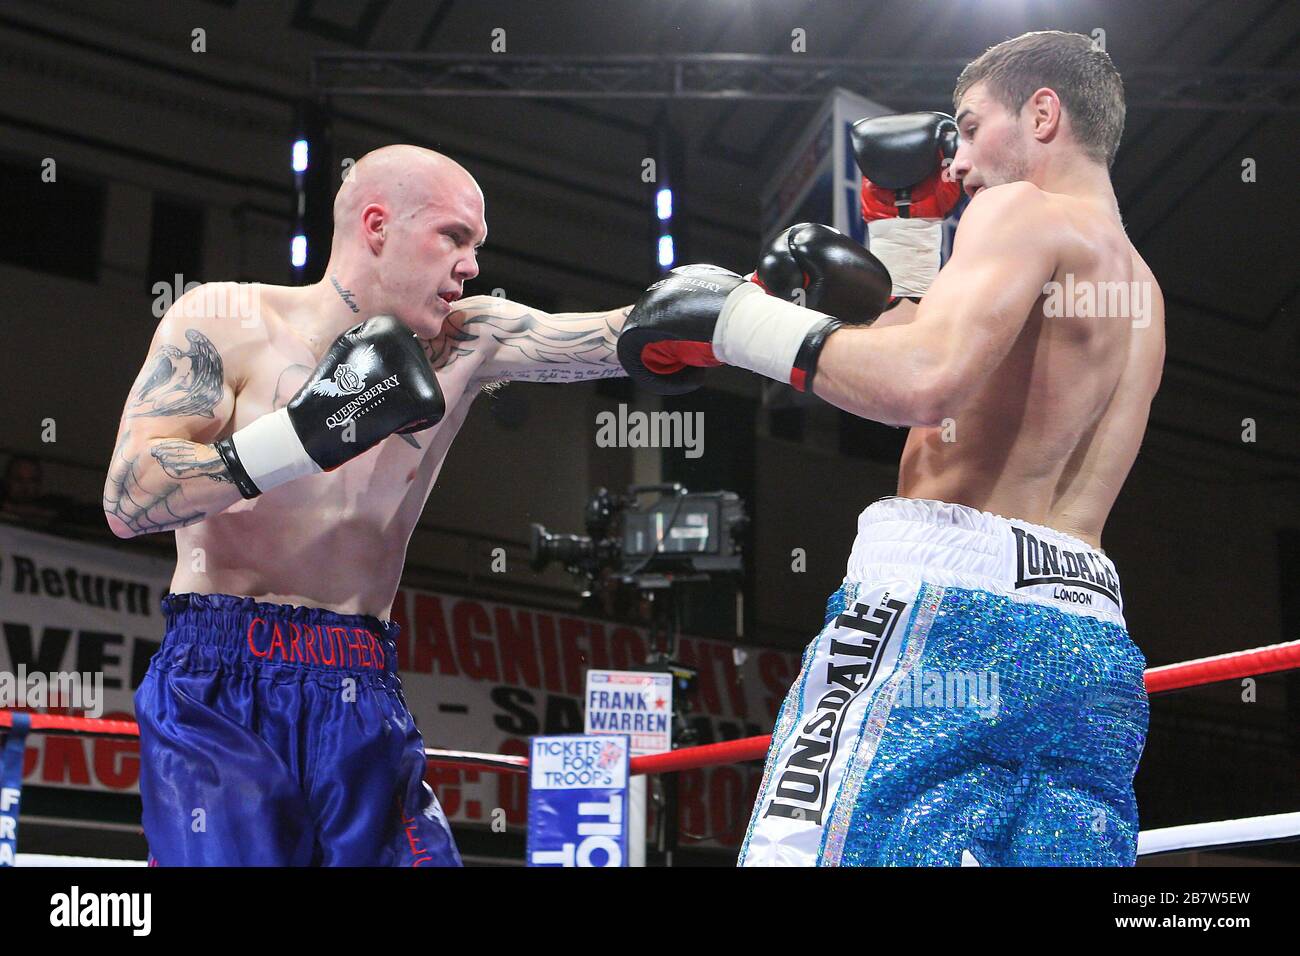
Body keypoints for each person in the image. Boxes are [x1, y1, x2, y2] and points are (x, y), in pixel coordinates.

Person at [617, 31, 1162, 866]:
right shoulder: (1142, 291)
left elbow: (924, 380)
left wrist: (736, 321)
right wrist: (906, 237)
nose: (961, 160)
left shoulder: (1019, 211)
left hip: (950, 612)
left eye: (971, 126)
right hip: (1087, 648)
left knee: (804, 854)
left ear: (1043, 114)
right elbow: (943, 366)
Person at [105, 145, 631, 865]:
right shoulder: (225, 320)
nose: (472, 265)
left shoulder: (466, 341)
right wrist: (300, 437)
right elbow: (129, 498)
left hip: (361, 680)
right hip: (218, 684)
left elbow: (618, 336)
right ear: (378, 226)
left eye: (476, 245)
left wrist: (752, 314)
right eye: (455, 236)